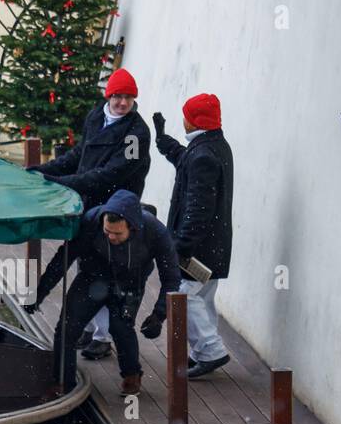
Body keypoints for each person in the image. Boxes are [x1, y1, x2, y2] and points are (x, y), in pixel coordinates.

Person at [28, 66, 151, 362]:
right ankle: (94, 328)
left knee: (108, 272)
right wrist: (42, 172)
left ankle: (102, 337)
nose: (123, 102)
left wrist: (60, 183)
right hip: (88, 202)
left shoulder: (137, 133)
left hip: (114, 209)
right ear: (109, 96)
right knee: (89, 266)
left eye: (129, 97)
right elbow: (78, 157)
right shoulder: (96, 116)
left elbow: (111, 174)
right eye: (118, 96)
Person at [24, 189, 180, 396]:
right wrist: (40, 292)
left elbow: (171, 276)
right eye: (108, 232)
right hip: (93, 278)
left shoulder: (155, 232)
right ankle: (63, 381)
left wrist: (159, 315)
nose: (111, 236)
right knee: (67, 328)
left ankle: (132, 375)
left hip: (129, 282)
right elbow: (64, 258)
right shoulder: (91, 221)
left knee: (121, 327)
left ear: (132, 228)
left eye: (117, 233)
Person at [153, 92, 234, 380]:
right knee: (203, 297)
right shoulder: (214, 146)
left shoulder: (202, 154)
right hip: (215, 246)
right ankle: (202, 353)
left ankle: (211, 351)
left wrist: (181, 246)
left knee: (184, 297)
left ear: (194, 120)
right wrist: (165, 143)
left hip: (198, 247)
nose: (183, 119)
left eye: (186, 115)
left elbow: (198, 209)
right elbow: (186, 160)